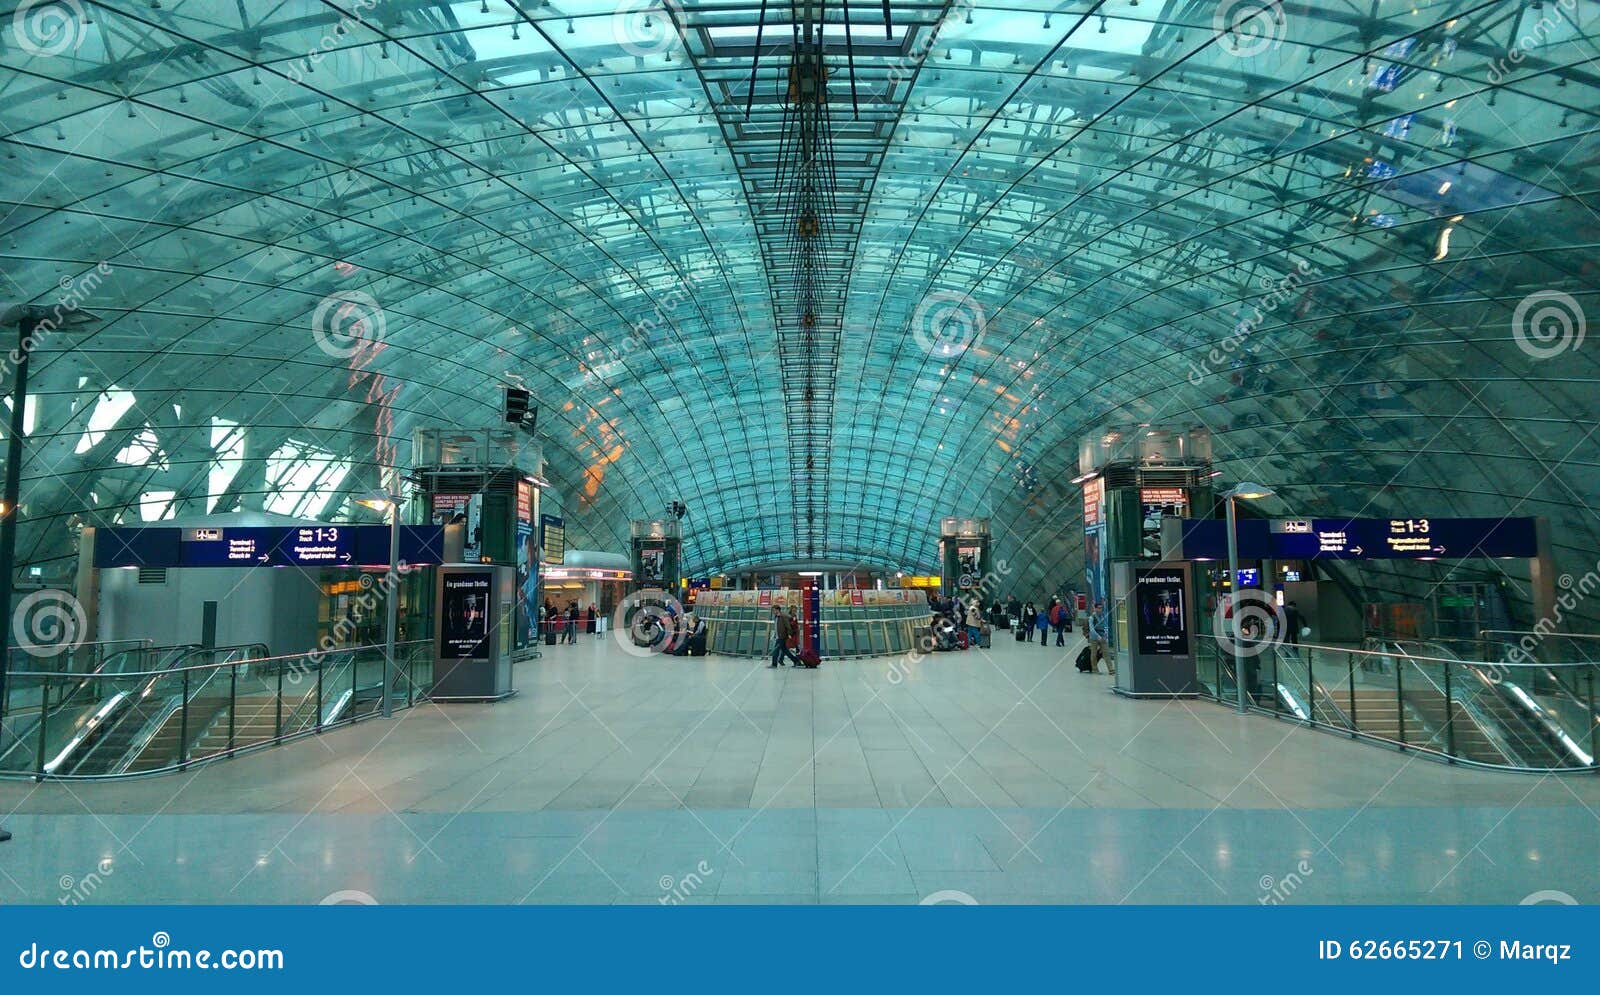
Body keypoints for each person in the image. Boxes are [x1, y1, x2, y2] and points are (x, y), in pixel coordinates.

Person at [1087, 602, 1111, 674]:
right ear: (1095, 608)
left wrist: (1105, 635)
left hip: (1102, 637)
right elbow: (1091, 629)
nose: (1100, 609)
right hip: (1094, 638)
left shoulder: (1103, 616)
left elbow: (1105, 626)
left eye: (1101, 608)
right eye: (1099, 608)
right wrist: (1098, 637)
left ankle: (1111, 669)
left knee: (1106, 653)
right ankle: (1094, 668)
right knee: (1094, 654)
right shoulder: (1092, 617)